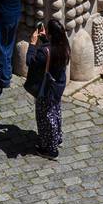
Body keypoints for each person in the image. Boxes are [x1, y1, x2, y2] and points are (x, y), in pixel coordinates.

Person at [27, 18, 70, 158]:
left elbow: (30, 62)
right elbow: (52, 50)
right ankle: (56, 138)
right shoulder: (64, 45)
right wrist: (45, 38)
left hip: (46, 88)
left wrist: (32, 44)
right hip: (58, 85)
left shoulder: (44, 51)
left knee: (46, 116)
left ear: (51, 35)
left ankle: (50, 149)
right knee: (55, 111)